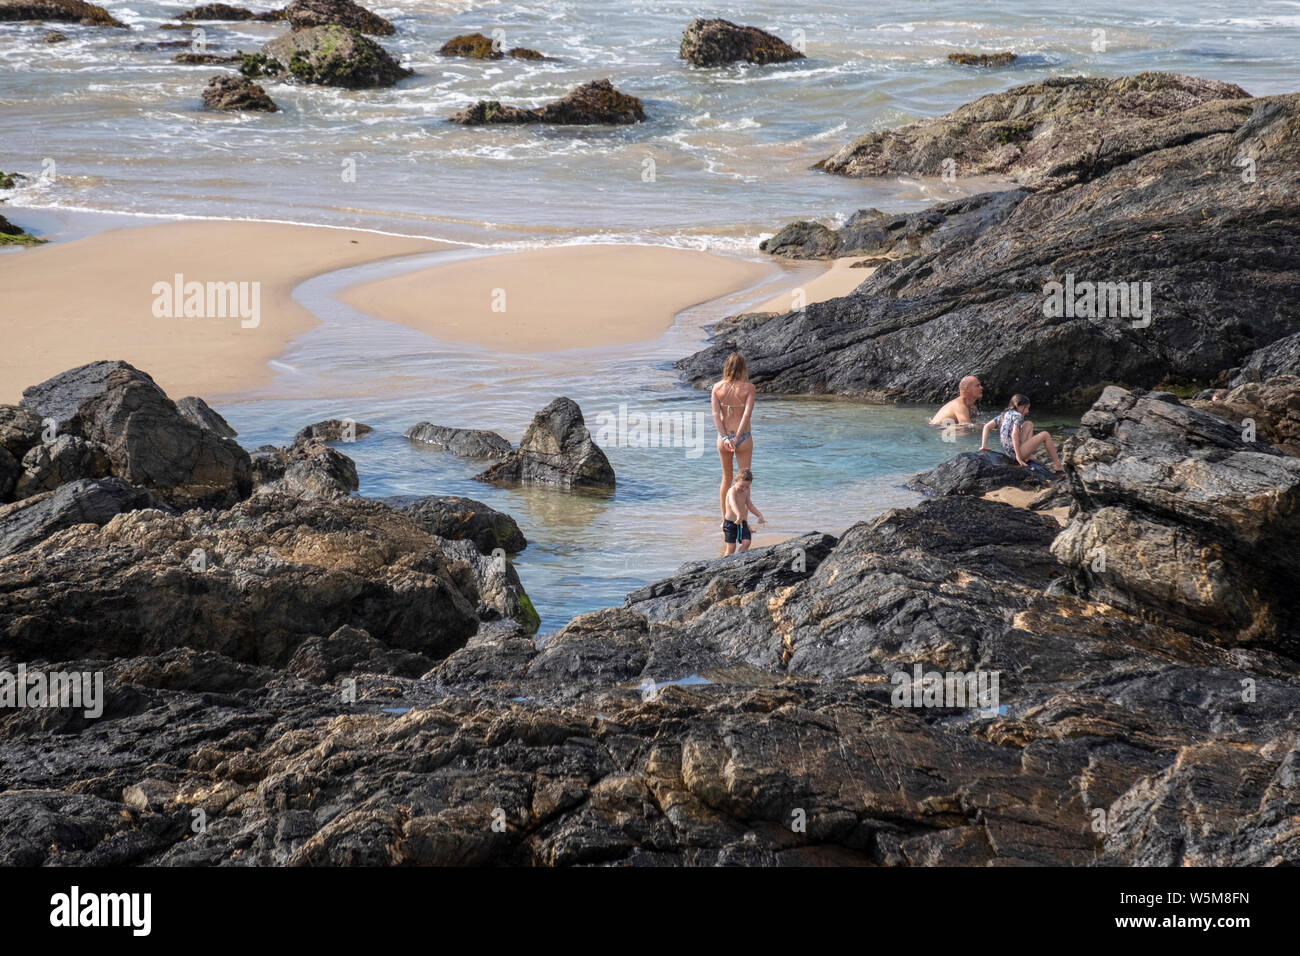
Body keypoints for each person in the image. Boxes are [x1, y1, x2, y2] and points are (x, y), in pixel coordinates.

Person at [711, 352, 756, 522]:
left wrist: (725, 438)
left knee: (726, 478)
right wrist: (737, 438)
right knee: (744, 480)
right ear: (743, 368)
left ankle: (724, 520)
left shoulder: (717, 387)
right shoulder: (749, 388)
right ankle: (742, 520)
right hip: (743, 437)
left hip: (723, 438)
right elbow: (746, 416)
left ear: (727, 367)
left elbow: (715, 415)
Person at [980, 394, 1064, 472]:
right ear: (1018, 406)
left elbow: (986, 426)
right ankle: (1057, 464)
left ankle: (1027, 456)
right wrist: (1018, 457)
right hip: (1014, 454)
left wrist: (984, 446)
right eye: (1026, 408)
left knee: (1029, 424)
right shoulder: (1018, 416)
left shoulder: (1004, 414)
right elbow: (1014, 435)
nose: (1027, 411)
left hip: (1007, 452)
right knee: (1045, 434)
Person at [722, 468, 765, 555]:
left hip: (742, 522)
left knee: (747, 542)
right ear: (735, 480)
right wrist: (738, 515)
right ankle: (724, 563)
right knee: (731, 547)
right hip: (730, 523)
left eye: (747, 487)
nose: (744, 489)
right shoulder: (732, 491)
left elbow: (750, 505)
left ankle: (739, 557)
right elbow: (732, 504)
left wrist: (759, 515)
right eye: (741, 486)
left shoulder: (746, 491)